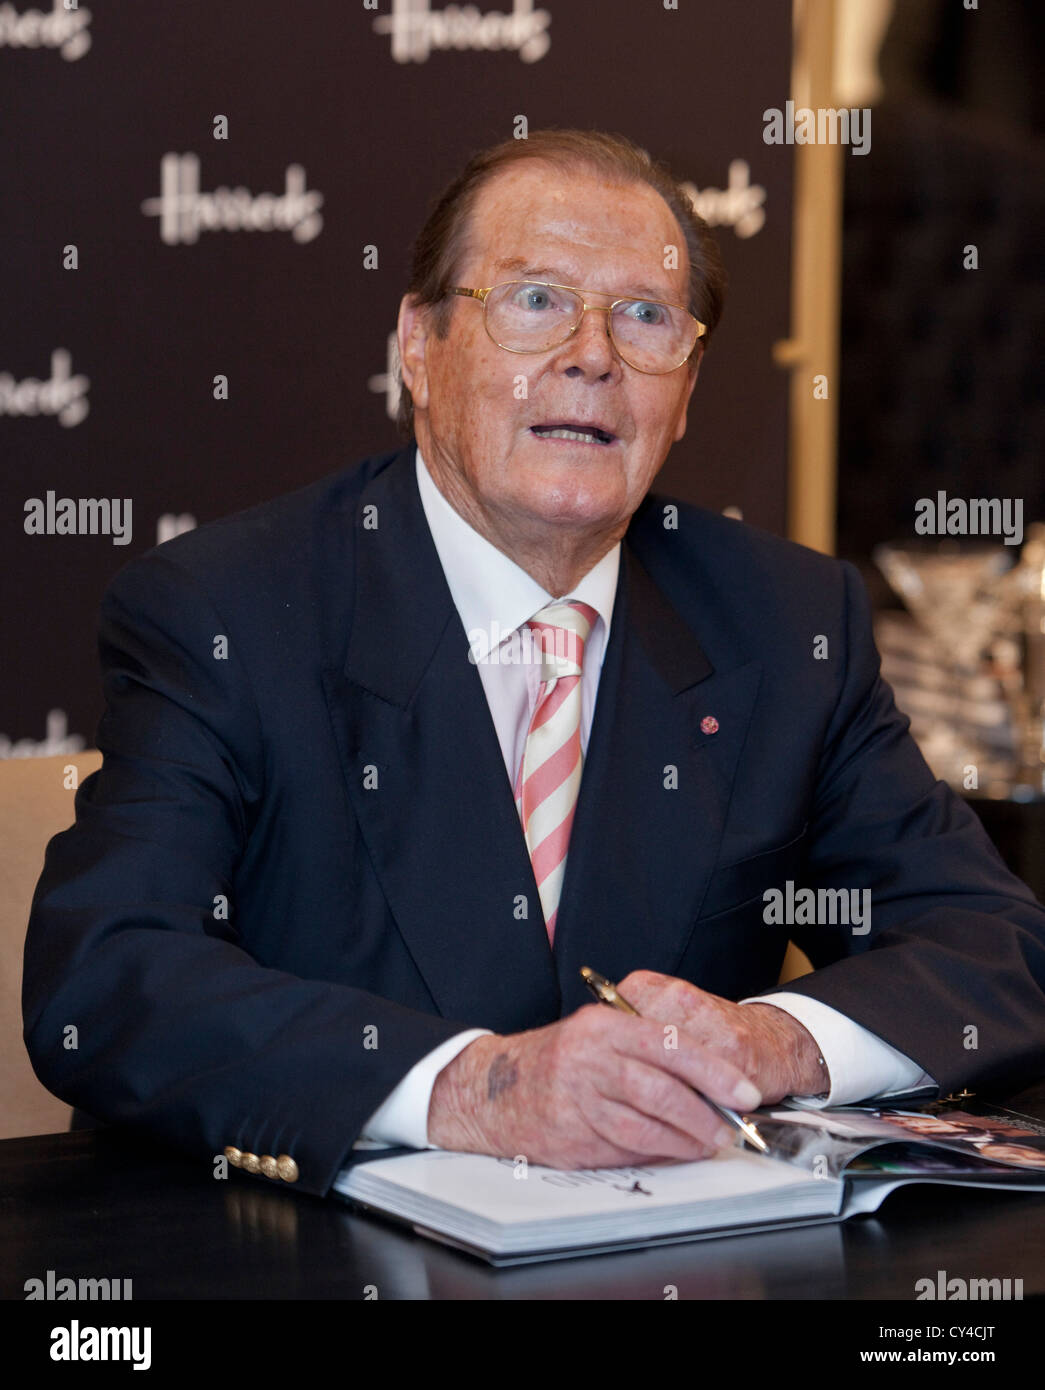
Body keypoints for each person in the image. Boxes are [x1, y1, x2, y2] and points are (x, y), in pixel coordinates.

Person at [23, 131, 1045, 1198]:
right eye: (536, 300)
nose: (593, 356)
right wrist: (474, 1086)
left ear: (684, 392)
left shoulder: (787, 623)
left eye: (646, 318)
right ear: (417, 347)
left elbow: (993, 945)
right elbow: (106, 974)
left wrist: (771, 1044)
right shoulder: (227, 610)